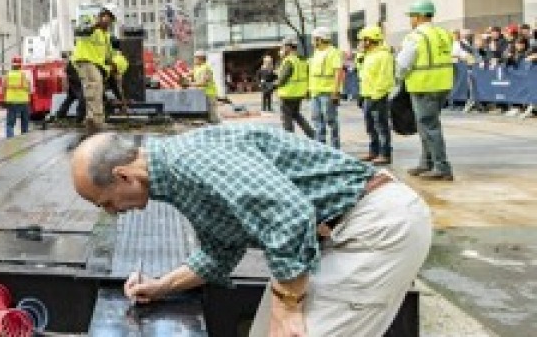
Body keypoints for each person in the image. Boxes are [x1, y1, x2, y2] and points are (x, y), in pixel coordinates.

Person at [70, 129, 431, 337]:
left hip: (372, 228)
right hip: (333, 234)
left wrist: (288, 306)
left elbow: (288, 215)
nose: (113, 213)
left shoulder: (193, 161)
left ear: (123, 176)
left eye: (106, 203)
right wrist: (162, 286)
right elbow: (219, 252)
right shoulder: (175, 178)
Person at [397, 0, 455, 180]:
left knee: (429, 126)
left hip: (423, 85)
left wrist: (399, 78)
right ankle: (426, 162)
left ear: (420, 16)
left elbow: (403, 63)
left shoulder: (415, 37)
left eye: (412, 16)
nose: (411, 20)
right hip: (442, 84)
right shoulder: (444, 34)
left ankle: (441, 166)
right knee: (427, 125)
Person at [71, 7, 116, 132]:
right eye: (107, 18)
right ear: (101, 15)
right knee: (94, 86)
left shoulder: (105, 35)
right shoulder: (89, 21)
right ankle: (94, 120)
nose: (108, 22)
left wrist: (113, 64)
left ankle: (96, 120)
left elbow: (108, 55)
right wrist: (94, 25)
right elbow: (79, 31)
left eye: (110, 20)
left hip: (95, 64)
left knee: (97, 89)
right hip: (85, 60)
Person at [357, 26, 395, 165]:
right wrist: (360, 56)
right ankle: (374, 151)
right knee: (370, 126)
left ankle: (385, 154)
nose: (360, 43)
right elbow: (363, 74)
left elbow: (385, 78)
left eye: (362, 40)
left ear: (369, 40)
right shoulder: (368, 55)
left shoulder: (384, 55)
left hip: (378, 96)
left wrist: (377, 95)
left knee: (381, 126)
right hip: (367, 95)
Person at [307, 27, 344, 149]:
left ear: (320, 39)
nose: (312, 41)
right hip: (315, 92)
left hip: (327, 93)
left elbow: (338, 72)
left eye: (314, 39)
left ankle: (335, 147)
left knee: (331, 121)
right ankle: (320, 147)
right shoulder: (316, 52)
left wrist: (335, 92)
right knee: (317, 121)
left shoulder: (333, 52)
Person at [275, 38, 315, 138]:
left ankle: (290, 139)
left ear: (288, 47)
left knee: (287, 119)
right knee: (296, 115)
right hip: (299, 93)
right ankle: (312, 134)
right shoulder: (302, 59)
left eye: (283, 47)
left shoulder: (289, 61)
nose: (282, 49)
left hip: (287, 94)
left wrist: (270, 86)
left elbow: (282, 79)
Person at [2, 56, 32, 138]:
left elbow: (3, 88)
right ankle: (24, 140)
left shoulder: (7, 75)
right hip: (24, 102)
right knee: (25, 124)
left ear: (12, 65)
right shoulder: (25, 74)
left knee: (10, 124)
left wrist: (4, 98)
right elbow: (30, 89)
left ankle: (10, 142)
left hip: (11, 102)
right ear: (21, 65)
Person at [188, 50, 220, 123]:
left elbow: (204, 83)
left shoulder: (206, 68)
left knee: (212, 114)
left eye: (195, 58)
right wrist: (186, 78)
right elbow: (189, 75)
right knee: (204, 114)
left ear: (201, 58)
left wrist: (190, 84)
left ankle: (216, 126)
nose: (194, 60)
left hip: (209, 94)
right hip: (201, 94)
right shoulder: (196, 68)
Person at [53, 51, 84, 123]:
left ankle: (59, 115)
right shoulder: (73, 62)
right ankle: (79, 118)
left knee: (69, 100)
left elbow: (68, 75)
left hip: (73, 85)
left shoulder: (70, 63)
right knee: (81, 100)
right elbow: (73, 75)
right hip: (76, 85)